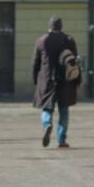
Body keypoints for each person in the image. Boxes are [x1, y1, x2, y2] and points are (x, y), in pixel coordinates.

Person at [33, 17, 79, 148]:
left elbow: (35, 63)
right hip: (66, 81)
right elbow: (74, 63)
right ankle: (61, 140)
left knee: (47, 107)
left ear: (50, 27)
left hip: (47, 79)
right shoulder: (69, 40)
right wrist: (78, 81)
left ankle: (47, 125)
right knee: (64, 110)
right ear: (61, 27)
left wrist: (36, 80)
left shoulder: (41, 41)